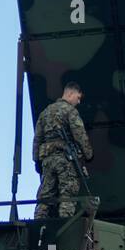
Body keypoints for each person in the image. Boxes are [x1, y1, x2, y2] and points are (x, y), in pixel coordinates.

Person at [33, 82, 93, 219]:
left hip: (47, 161)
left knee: (45, 196)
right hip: (66, 160)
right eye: (78, 98)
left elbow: (37, 139)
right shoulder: (70, 111)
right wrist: (89, 155)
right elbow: (80, 135)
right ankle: (65, 227)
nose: (79, 101)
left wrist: (36, 160)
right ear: (70, 93)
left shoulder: (45, 112)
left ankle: (38, 225)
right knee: (68, 196)